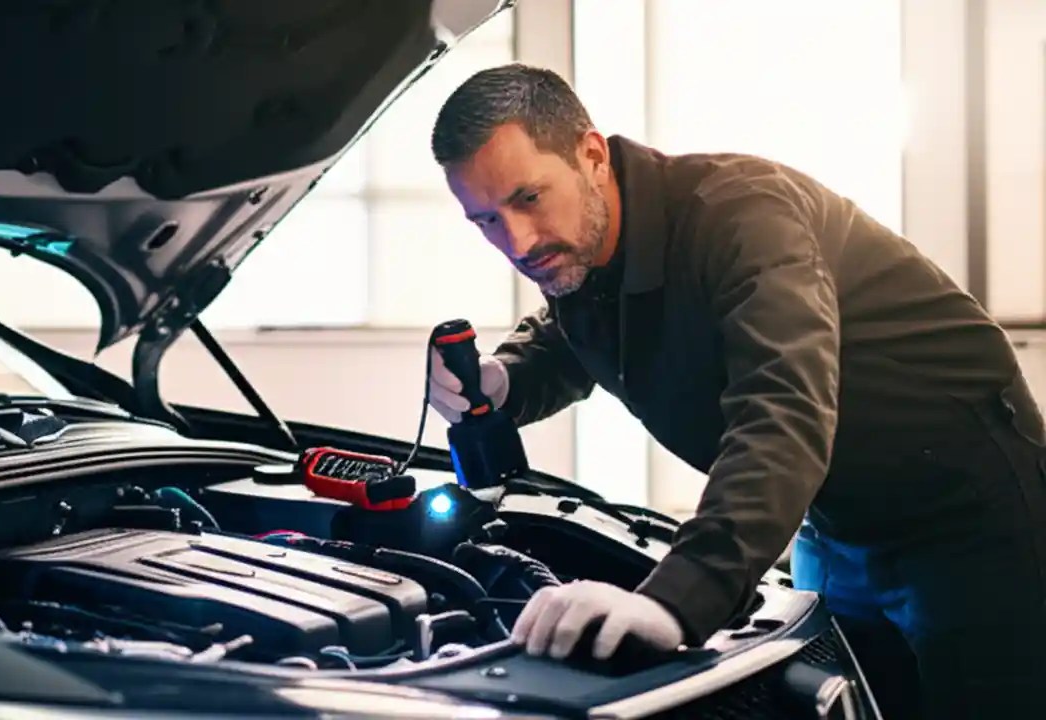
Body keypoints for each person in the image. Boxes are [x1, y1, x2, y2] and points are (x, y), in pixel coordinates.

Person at [425, 63, 1046, 719]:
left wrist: (675, 600)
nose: (516, 242)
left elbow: (783, 410)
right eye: (486, 220)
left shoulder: (745, 218)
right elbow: (573, 334)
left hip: (966, 514)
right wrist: (506, 377)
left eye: (528, 198)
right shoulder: (581, 250)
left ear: (591, 154)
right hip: (833, 521)